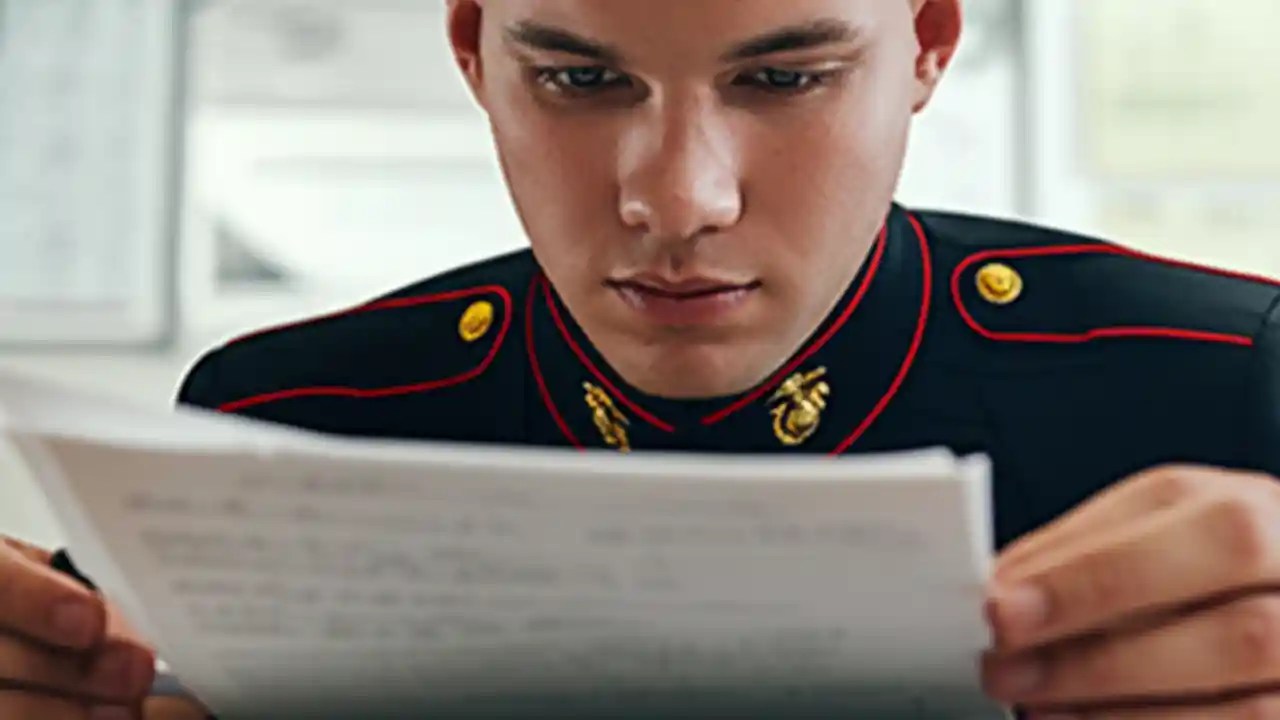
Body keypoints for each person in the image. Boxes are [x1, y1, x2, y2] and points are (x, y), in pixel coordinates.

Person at [3, 0, 1280, 717]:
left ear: (927, 45)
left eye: (783, 76)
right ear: (472, 54)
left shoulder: (1223, 383)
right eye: (575, 79)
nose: (677, 201)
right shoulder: (271, 424)